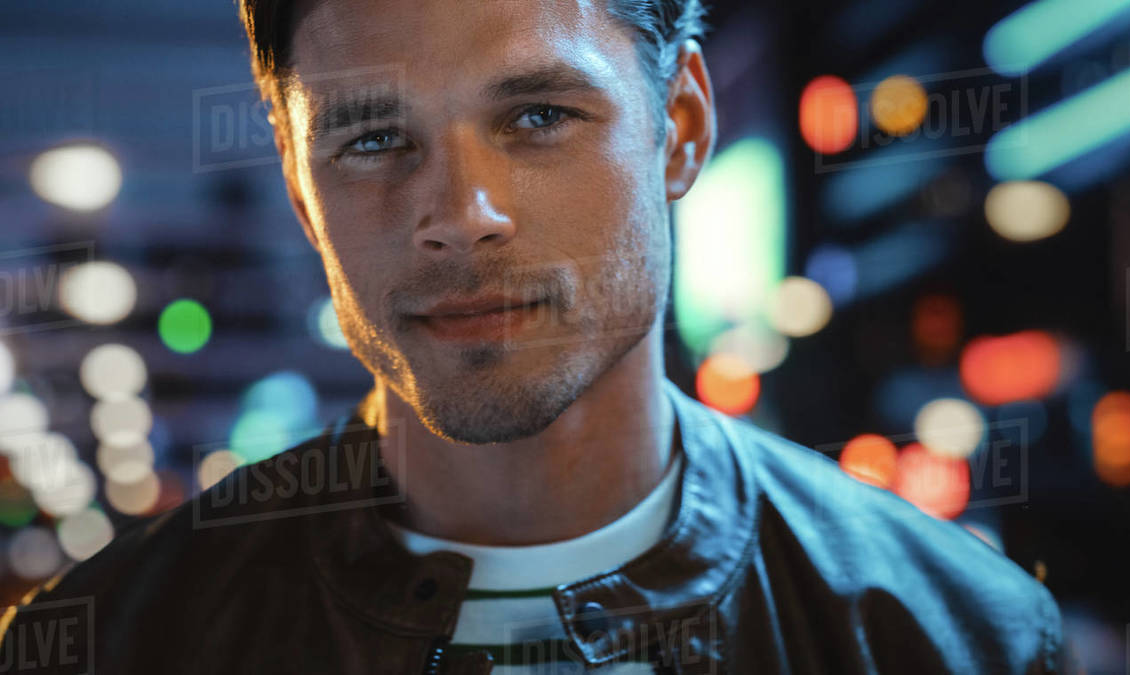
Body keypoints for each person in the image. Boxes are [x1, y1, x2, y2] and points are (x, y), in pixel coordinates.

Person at [0, 1, 1065, 673]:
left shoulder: (959, 634)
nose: (461, 212)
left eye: (539, 117)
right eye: (373, 138)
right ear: (297, 186)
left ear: (681, 131)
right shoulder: (111, 639)